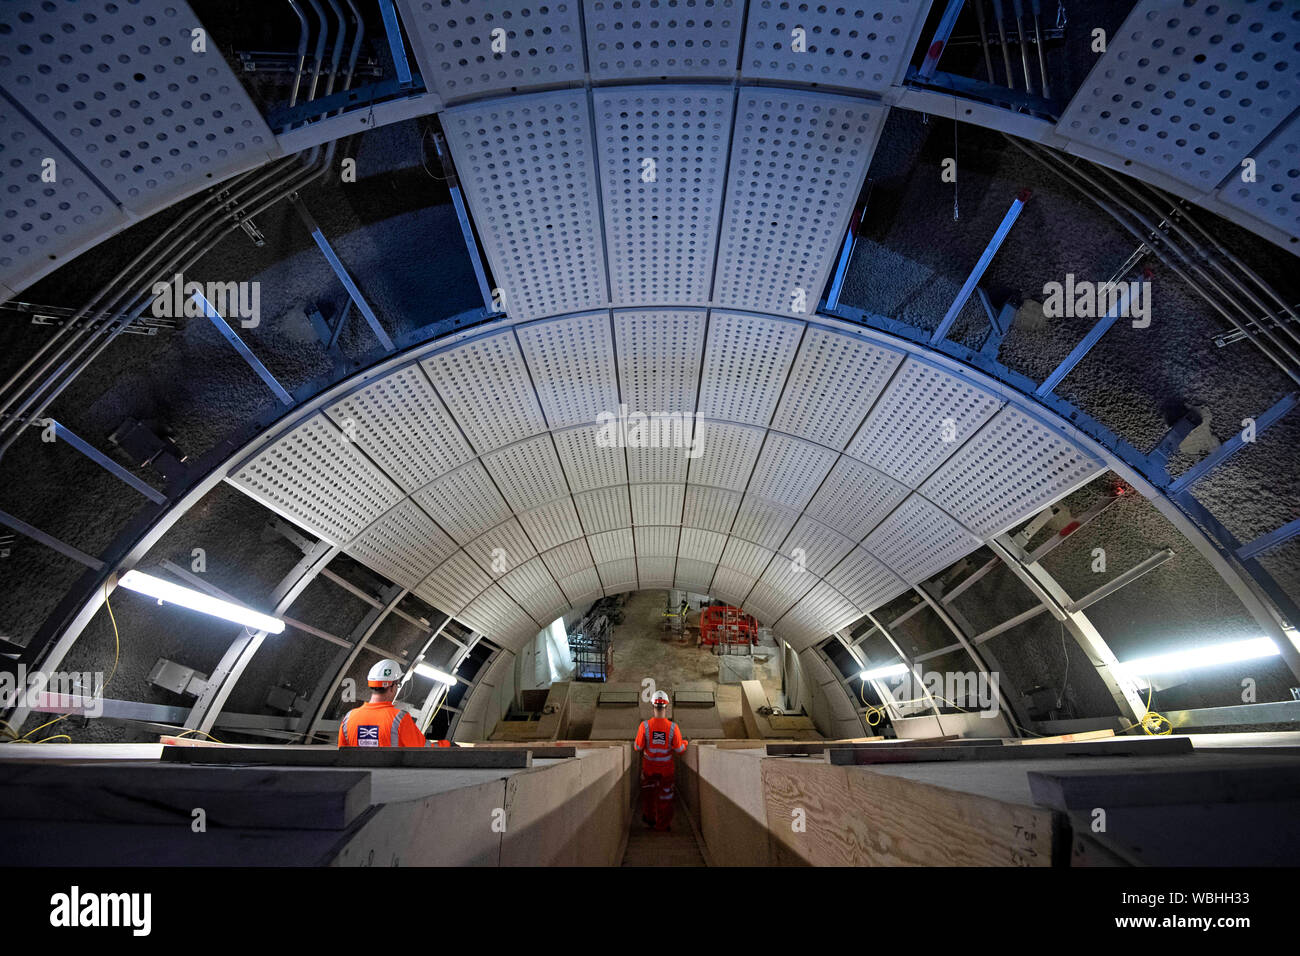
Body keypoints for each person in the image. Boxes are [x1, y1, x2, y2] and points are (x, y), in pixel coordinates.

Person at [337, 659, 431, 747]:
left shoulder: (349, 718)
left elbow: (343, 754)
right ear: (392, 687)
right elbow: (422, 748)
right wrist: (445, 744)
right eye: (398, 685)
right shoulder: (399, 718)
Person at [633, 690, 687, 830]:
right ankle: (662, 826)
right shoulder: (673, 728)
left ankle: (650, 819)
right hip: (666, 771)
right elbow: (680, 750)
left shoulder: (644, 726)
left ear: (652, 706)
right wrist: (685, 743)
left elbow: (637, 747)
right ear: (666, 706)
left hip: (649, 769)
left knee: (649, 794)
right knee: (665, 798)